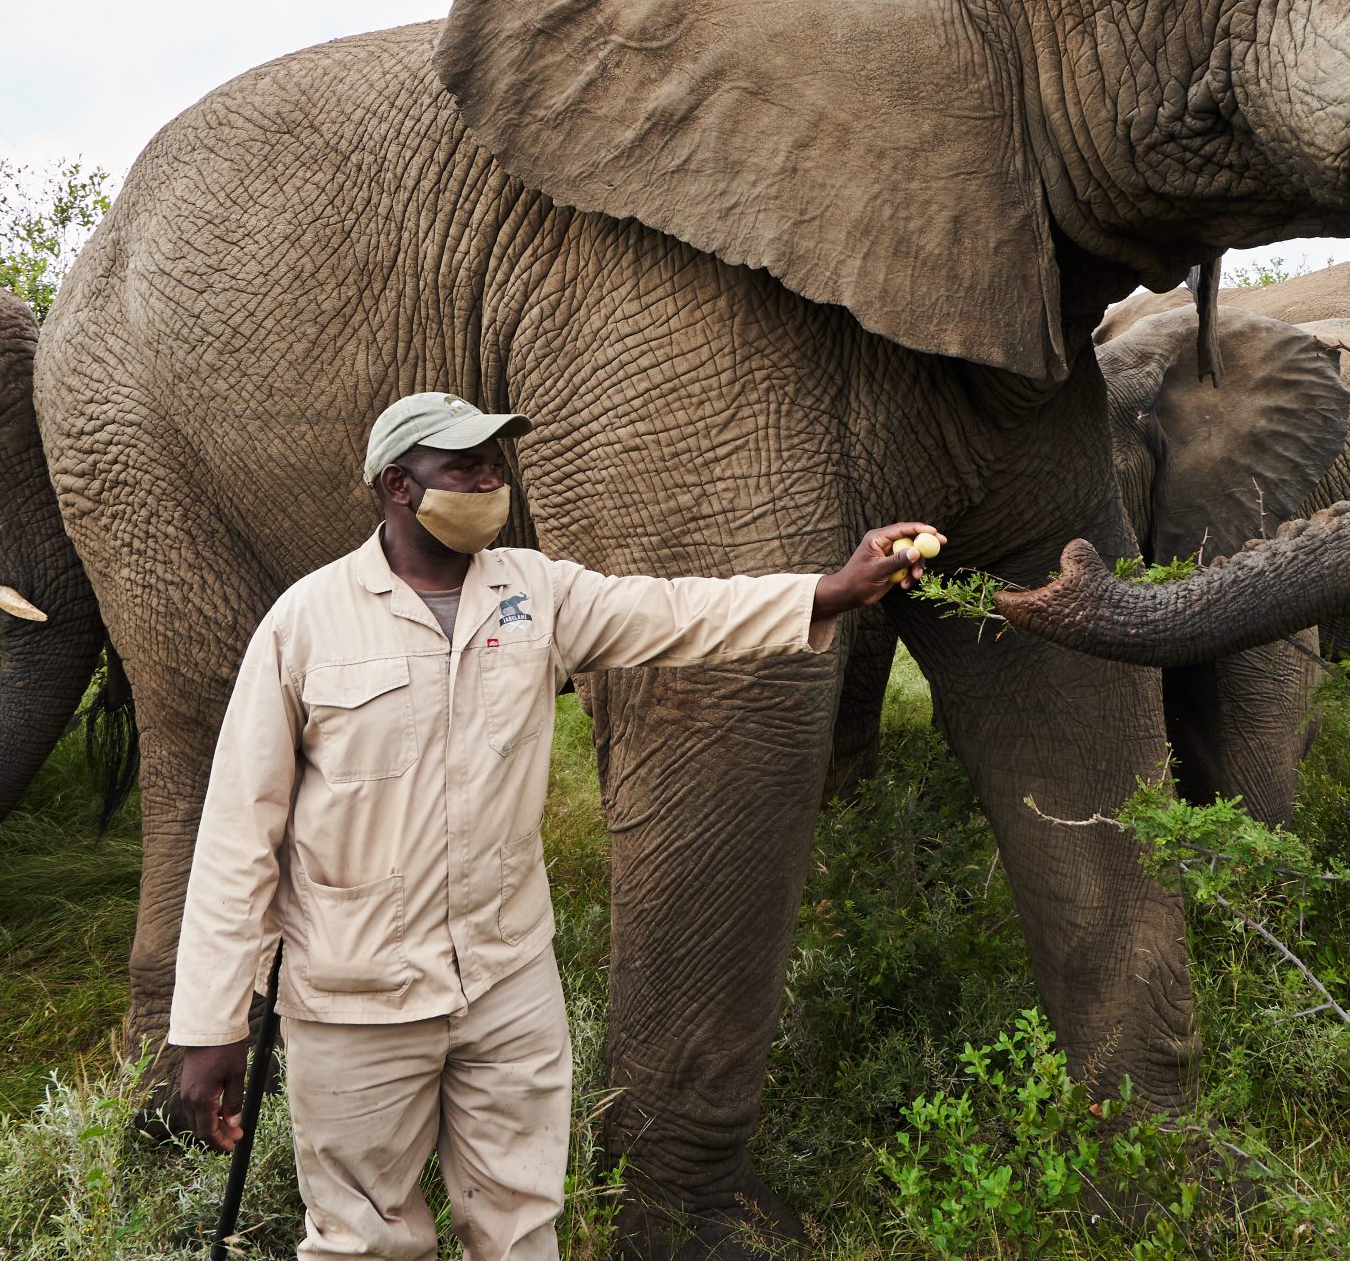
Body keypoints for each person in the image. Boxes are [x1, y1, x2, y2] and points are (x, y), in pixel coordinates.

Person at [168, 390, 941, 1261]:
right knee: (362, 1239)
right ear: (397, 483)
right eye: (466, 464)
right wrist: (210, 1024)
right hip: (356, 997)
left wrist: (830, 592)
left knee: (522, 1223)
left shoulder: (534, 591)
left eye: (497, 459)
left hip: (507, 981)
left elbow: (677, 613)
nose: (492, 477)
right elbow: (240, 830)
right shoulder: (305, 623)